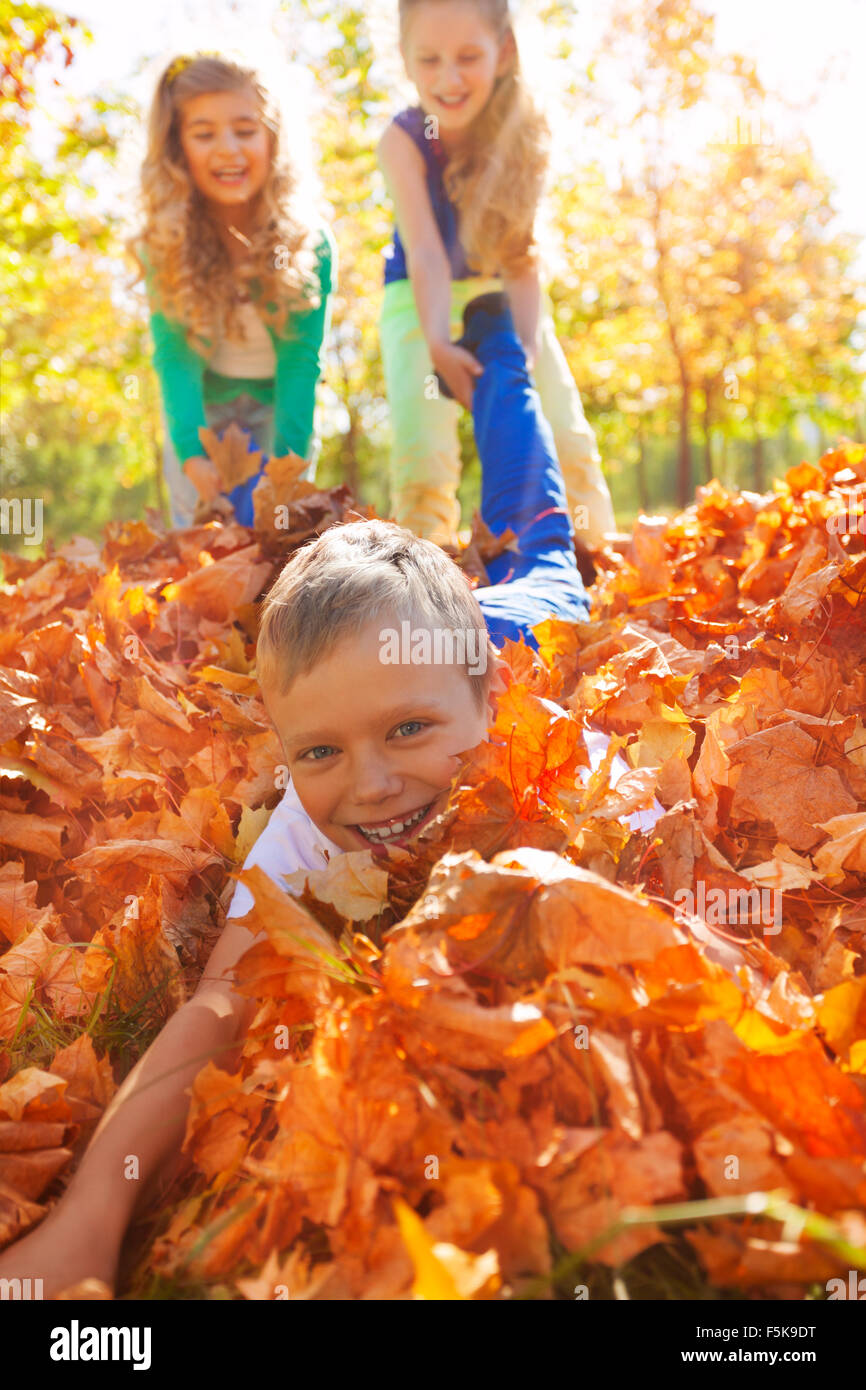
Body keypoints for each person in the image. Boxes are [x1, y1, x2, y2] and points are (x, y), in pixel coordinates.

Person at [0, 294, 656, 1298]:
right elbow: (217, 1004)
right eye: (318, 750)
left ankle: (500, 358)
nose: (370, 782)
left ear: (478, 698)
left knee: (538, 532)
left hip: (527, 618)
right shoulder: (305, 829)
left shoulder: (569, 773)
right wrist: (94, 1209)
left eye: (406, 732)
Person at [376, 0, 618, 553]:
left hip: (503, 293)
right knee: (425, 453)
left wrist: (528, 350)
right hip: (417, 297)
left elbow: (522, 256)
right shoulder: (403, 140)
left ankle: (596, 558)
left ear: (503, 51)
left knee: (564, 431)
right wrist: (437, 341)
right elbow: (427, 256)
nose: (449, 77)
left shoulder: (524, 132)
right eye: (430, 59)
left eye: (468, 57)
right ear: (405, 60)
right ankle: (418, 578)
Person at [132, 53, 336, 527]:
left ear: (273, 138)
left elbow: (300, 362)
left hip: (278, 405)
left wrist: (284, 468)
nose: (228, 149)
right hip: (203, 408)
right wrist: (190, 454)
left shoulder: (308, 243)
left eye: (245, 131)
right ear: (178, 147)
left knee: (280, 531)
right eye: (204, 134)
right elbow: (175, 356)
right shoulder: (167, 241)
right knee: (203, 539)